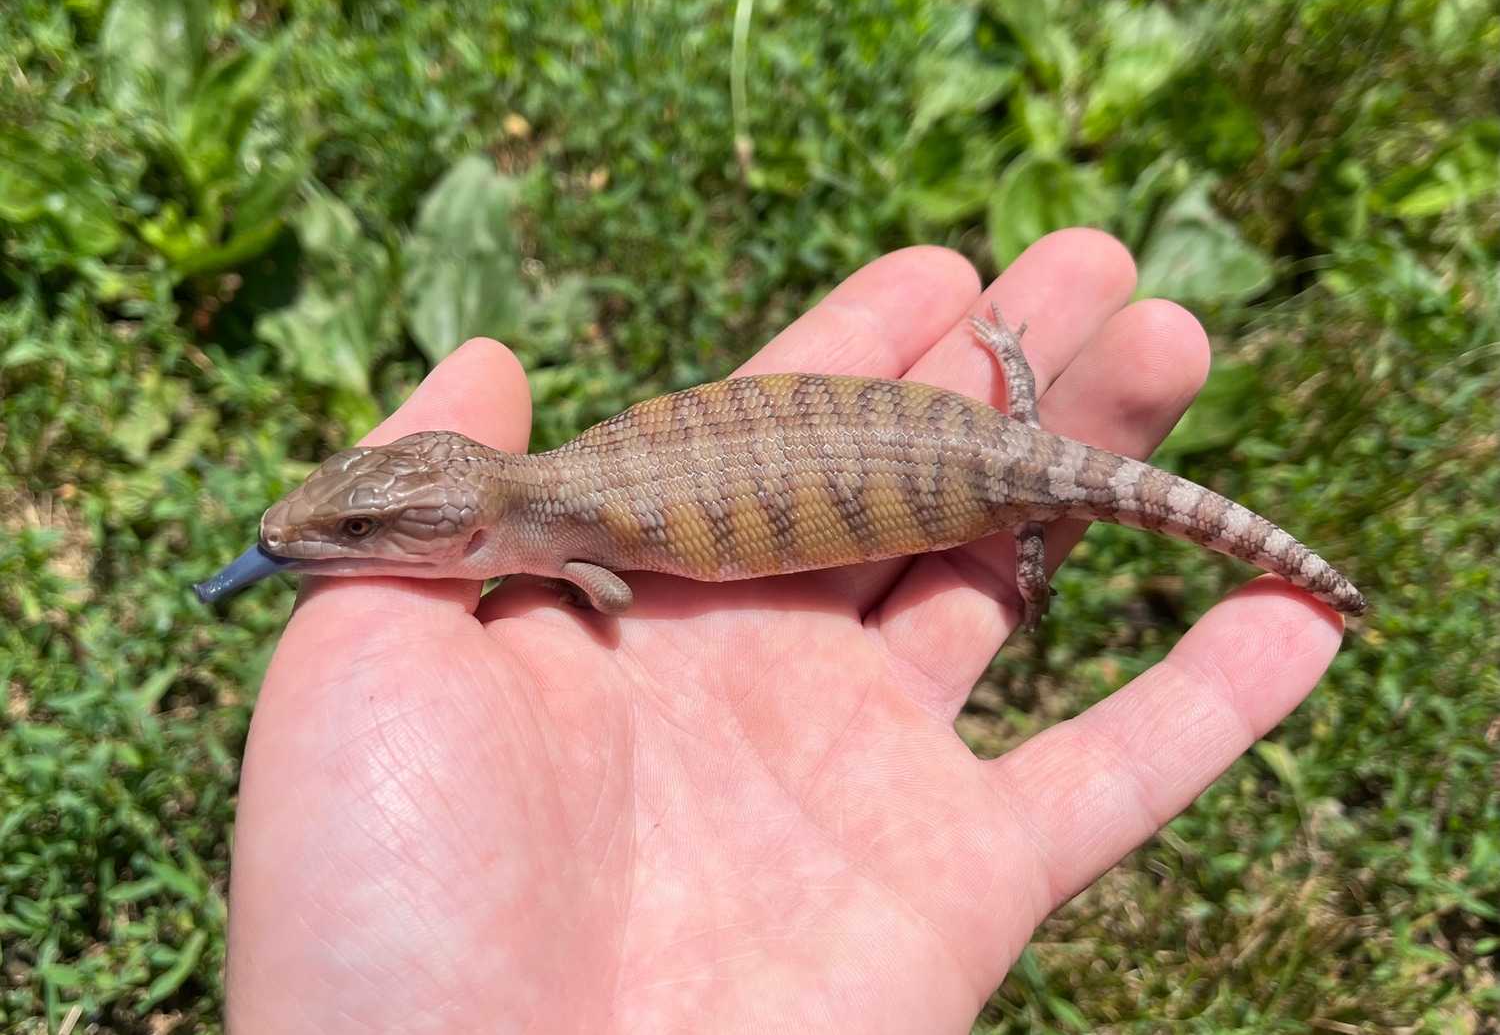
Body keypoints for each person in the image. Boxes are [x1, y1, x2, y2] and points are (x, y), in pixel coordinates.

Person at [224, 232, 1350, 1032]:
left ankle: (1268, 569)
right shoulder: (546, 490)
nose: (315, 537)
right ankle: (1278, 564)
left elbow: (610, 598)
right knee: (1081, 486)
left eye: (362, 525)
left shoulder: (552, 532)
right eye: (352, 520)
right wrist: (1013, 380)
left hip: (984, 489)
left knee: (1070, 494)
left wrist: (554, 591)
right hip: (983, 446)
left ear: (464, 524)